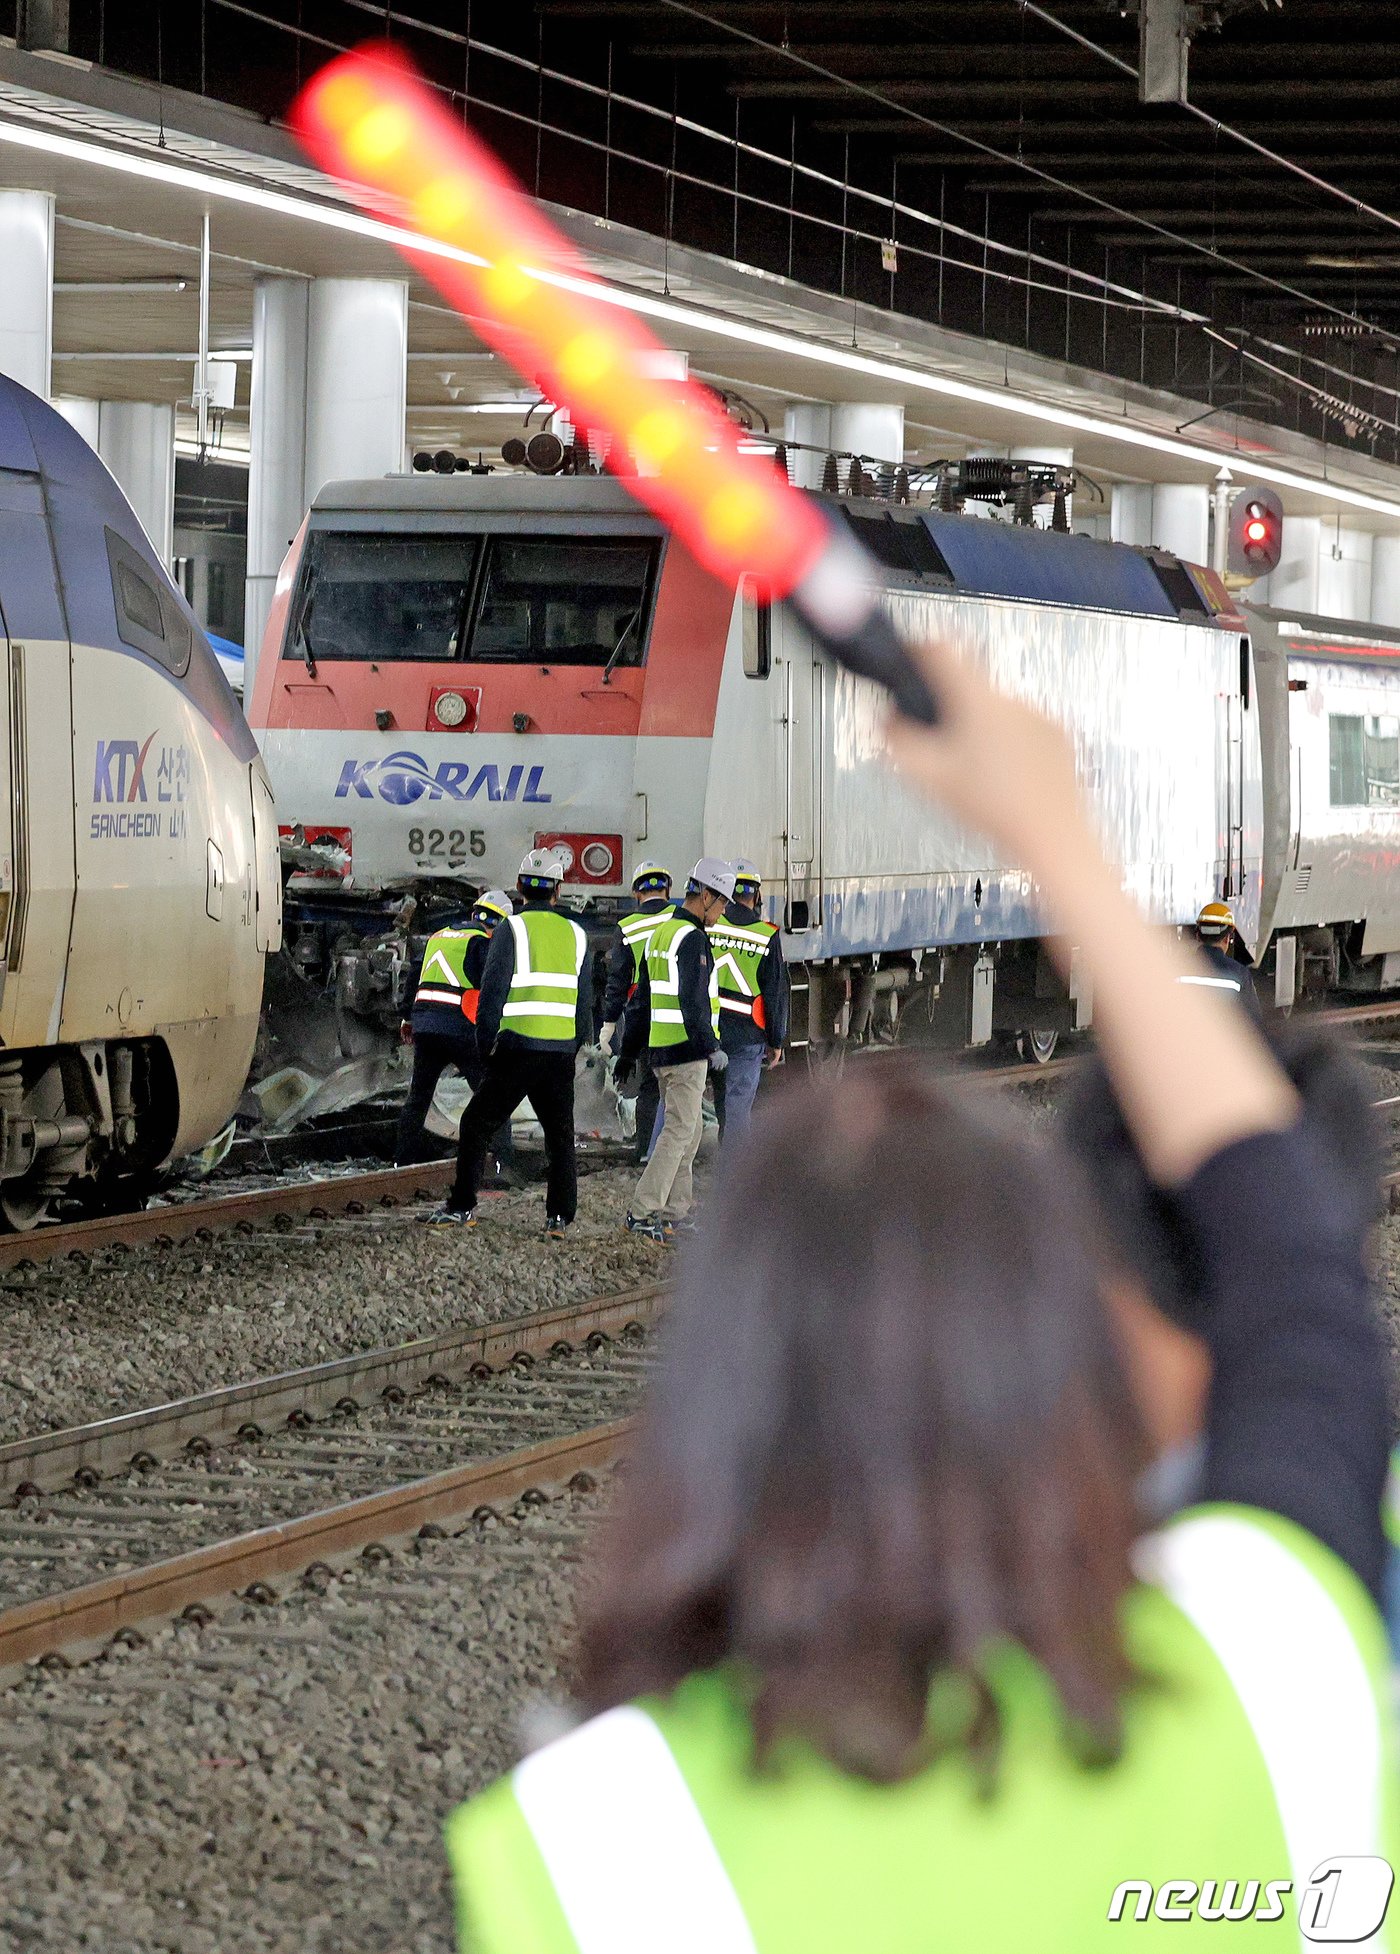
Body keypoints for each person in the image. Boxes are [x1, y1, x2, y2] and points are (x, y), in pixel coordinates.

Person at [444, 633, 1394, 1951]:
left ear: (718, 1394)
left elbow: (1289, 1267)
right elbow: (1287, 1259)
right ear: (1057, 1349)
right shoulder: (1275, 1674)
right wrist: (1064, 851)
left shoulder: (592, 1845)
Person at [429, 850, 591, 1239]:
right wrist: (573, 1046)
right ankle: (559, 1219)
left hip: (517, 1049)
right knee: (560, 1135)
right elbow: (584, 1003)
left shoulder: (512, 930)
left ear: (520, 888)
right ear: (558, 890)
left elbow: (491, 997)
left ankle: (462, 1205)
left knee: (476, 1123)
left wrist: (486, 1048)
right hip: (558, 1053)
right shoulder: (577, 934)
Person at [618, 858, 734, 1243]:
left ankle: (676, 1212)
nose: (722, 913)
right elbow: (694, 1000)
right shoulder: (693, 938)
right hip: (686, 1053)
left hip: (662, 1050)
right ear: (706, 895)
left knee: (690, 1130)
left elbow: (642, 1000)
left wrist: (629, 1050)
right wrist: (711, 1047)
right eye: (721, 905)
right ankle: (642, 1211)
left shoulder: (662, 934)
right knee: (678, 1132)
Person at [395, 891, 515, 1171]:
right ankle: (502, 1164)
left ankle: (402, 1163)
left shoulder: (438, 937)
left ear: (475, 914)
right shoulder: (484, 944)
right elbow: (493, 989)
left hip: (425, 1028)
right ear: (501, 925)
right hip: (461, 1029)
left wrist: (406, 1019)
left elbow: (415, 974)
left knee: (418, 1098)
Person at [598, 861, 675, 1164]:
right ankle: (675, 1150)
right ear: (667, 889)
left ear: (635, 893)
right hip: (680, 1014)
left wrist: (608, 1024)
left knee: (650, 1084)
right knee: (681, 1084)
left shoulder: (627, 927)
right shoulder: (680, 918)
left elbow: (617, 980)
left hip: (644, 1015)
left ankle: (646, 1151)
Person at [708, 857, 787, 1145]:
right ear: (757, 895)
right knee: (738, 1105)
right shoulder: (766, 935)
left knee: (719, 1102)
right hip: (747, 1035)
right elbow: (775, 992)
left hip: (711, 1031)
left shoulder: (710, 927)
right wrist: (776, 1041)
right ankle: (733, 1173)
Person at [1184, 899, 1263, 1021]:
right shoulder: (1239, 974)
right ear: (1227, 938)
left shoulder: (1177, 968)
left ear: (1198, 936)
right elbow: (1253, 1023)